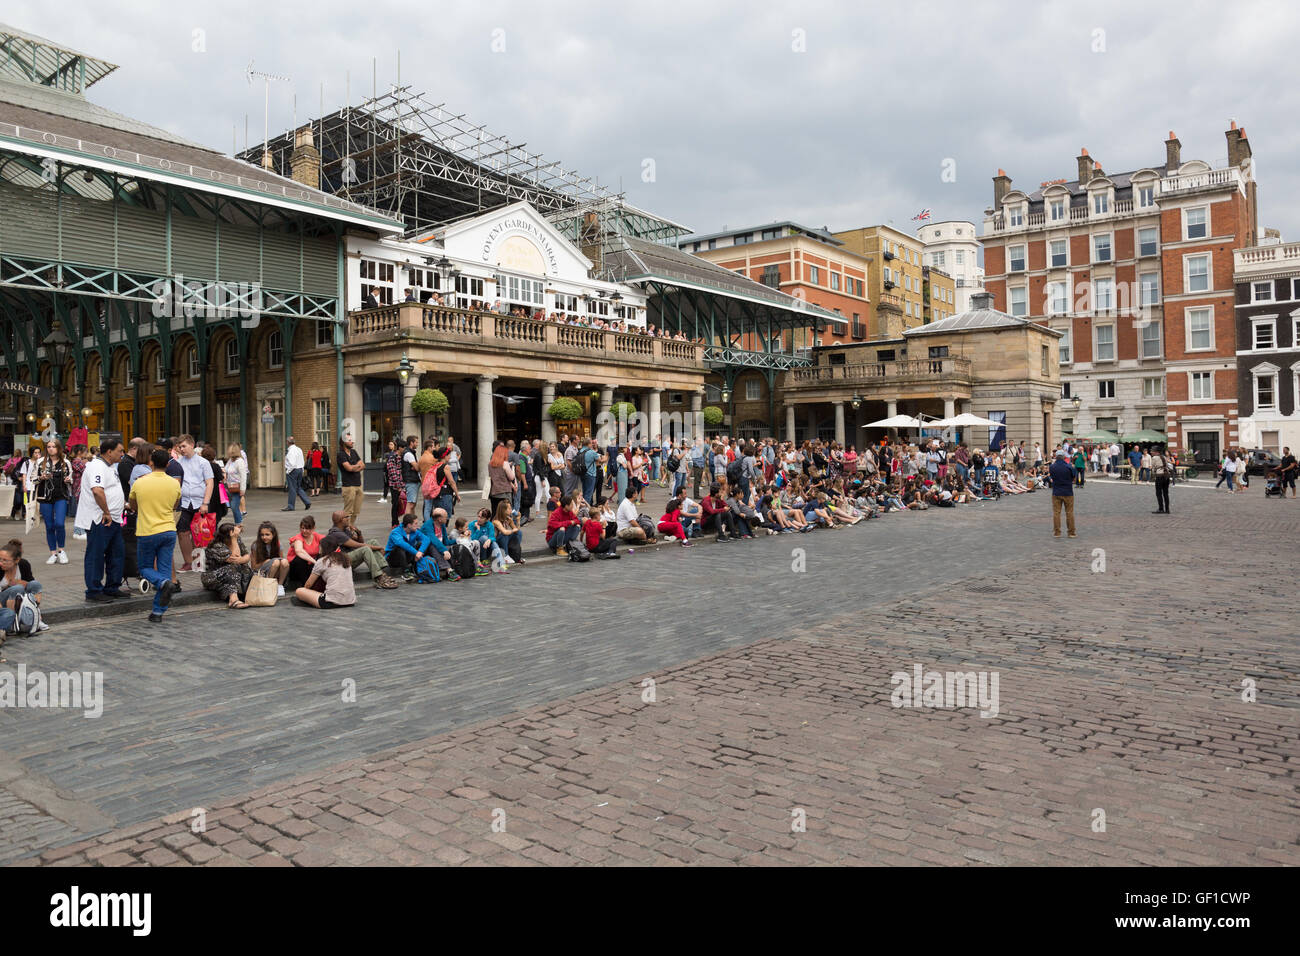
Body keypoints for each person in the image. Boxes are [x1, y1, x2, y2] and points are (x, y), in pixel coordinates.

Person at [127, 447, 181, 622]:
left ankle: (163, 584)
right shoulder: (174, 483)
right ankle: (158, 612)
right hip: (168, 529)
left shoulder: (140, 482)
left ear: (151, 462)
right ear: (167, 464)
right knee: (164, 570)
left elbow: (133, 505)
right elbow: (174, 505)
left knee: (145, 568)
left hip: (147, 530)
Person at [74, 438, 128, 603]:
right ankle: (94, 590)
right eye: (120, 450)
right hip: (100, 518)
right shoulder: (96, 466)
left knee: (116, 554)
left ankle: (112, 586)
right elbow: (97, 491)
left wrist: (124, 504)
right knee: (96, 555)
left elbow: (111, 490)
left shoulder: (110, 467)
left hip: (114, 518)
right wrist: (106, 511)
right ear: (109, 451)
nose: (122, 454)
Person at [328, 510, 401, 588]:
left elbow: (360, 541)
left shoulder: (345, 530)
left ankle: (382, 571)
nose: (349, 519)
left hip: (350, 556)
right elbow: (358, 545)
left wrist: (359, 533)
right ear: (341, 520)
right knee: (365, 549)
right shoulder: (336, 533)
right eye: (347, 517)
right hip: (343, 561)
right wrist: (380, 548)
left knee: (373, 542)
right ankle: (378, 577)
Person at [174, 434, 214, 572]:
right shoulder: (178, 462)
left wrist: (205, 503)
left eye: (184, 446)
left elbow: (209, 483)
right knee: (182, 532)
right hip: (184, 502)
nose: (182, 449)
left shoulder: (203, 462)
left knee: (199, 533)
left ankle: (198, 562)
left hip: (199, 502)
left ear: (192, 445)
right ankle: (188, 562)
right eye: (180, 447)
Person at [294, 531, 357, 609]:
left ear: (323, 548)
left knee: (299, 591)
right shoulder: (345, 559)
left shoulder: (322, 561)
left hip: (330, 602)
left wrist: (307, 593)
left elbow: (308, 585)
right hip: (350, 600)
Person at [35, 438, 72, 565]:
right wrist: (41, 477)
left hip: (60, 496)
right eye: (49, 446)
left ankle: (61, 550)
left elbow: (71, 479)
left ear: (58, 448)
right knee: (49, 526)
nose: (51, 448)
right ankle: (53, 553)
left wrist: (68, 480)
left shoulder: (65, 462)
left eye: (53, 446)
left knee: (60, 524)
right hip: (45, 498)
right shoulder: (40, 462)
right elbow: (33, 480)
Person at [201, 516, 253, 609]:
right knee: (231, 569)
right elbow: (233, 559)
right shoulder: (216, 546)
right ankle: (233, 600)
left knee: (246, 570)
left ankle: (247, 595)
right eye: (234, 534)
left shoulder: (236, 540)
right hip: (213, 576)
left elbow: (246, 556)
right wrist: (234, 539)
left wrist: (242, 560)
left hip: (231, 574)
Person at [250, 521, 291, 596]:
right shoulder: (256, 545)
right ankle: (267, 586)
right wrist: (266, 562)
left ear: (273, 535)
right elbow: (254, 567)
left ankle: (280, 586)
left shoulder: (278, 544)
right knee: (276, 562)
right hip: (262, 572)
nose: (264, 537)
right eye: (262, 535)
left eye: (267, 534)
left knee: (284, 562)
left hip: (276, 571)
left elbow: (282, 562)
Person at [286, 515, 324, 588]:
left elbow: (328, 541)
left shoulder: (316, 536)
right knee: (301, 559)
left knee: (322, 557)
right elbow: (299, 551)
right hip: (295, 569)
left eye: (307, 528)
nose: (304, 531)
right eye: (302, 528)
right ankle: (306, 586)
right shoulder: (298, 538)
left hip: (309, 566)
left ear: (313, 528)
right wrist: (315, 562)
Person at [1048, 448, 1076, 538]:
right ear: (1064, 457)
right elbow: (1074, 479)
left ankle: (1057, 533)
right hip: (1068, 491)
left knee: (1056, 513)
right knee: (1069, 513)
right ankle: (1071, 533)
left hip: (1056, 492)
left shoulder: (1052, 467)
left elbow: (1052, 478)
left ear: (1056, 457)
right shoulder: (1069, 467)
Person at [338, 434, 365, 525]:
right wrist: (357, 466)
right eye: (349, 440)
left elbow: (363, 465)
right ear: (343, 442)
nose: (352, 441)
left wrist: (354, 467)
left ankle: (350, 527)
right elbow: (348, 468)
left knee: (356, 511)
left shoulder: (353, 452)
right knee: (348, 511)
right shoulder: (341, 454)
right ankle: (344, 529)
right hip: (349, 486)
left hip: (358, 485)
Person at [487, 441, 516, 517]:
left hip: (494, 492)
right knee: (505, 515)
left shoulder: (490, 464)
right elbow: (511, 477)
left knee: (495, 513)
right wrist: (512, 468)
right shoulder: (505, 463)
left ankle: (494, 528)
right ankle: (503, 528)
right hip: (504, 492)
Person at [282, 436, 311, 512]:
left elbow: (292, 463)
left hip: (293, 470)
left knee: (292, 488)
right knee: (298, 487)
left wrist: (288, 471)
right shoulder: (299, 449)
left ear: (288, 442)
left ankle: (291, 506)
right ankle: (307, 502)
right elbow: (302, 460)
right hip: (300, 469)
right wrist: (301, 469)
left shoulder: (291, 451)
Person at [223, 443, 247, 525]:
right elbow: (225, 469)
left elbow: (243, 476)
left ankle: (239, 523)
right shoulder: (230, 461)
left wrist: (243, 489)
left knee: (233, 506)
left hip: (237, 487)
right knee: (233, 506)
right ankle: (238, 522)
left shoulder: (240, 461)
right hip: (230, 486)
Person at [1150, 447, 1173, 514]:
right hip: (1166, 476)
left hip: (1160, 476)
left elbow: (1153, 467)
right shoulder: (1164, 457)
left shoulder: (1154, 458)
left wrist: (1153, 473)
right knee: (1166, 493)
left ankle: (1161, 509)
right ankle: (1167, 509)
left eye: (1152, 451)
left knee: (1158, 493)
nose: (1151, 452)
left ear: (1157, 452)